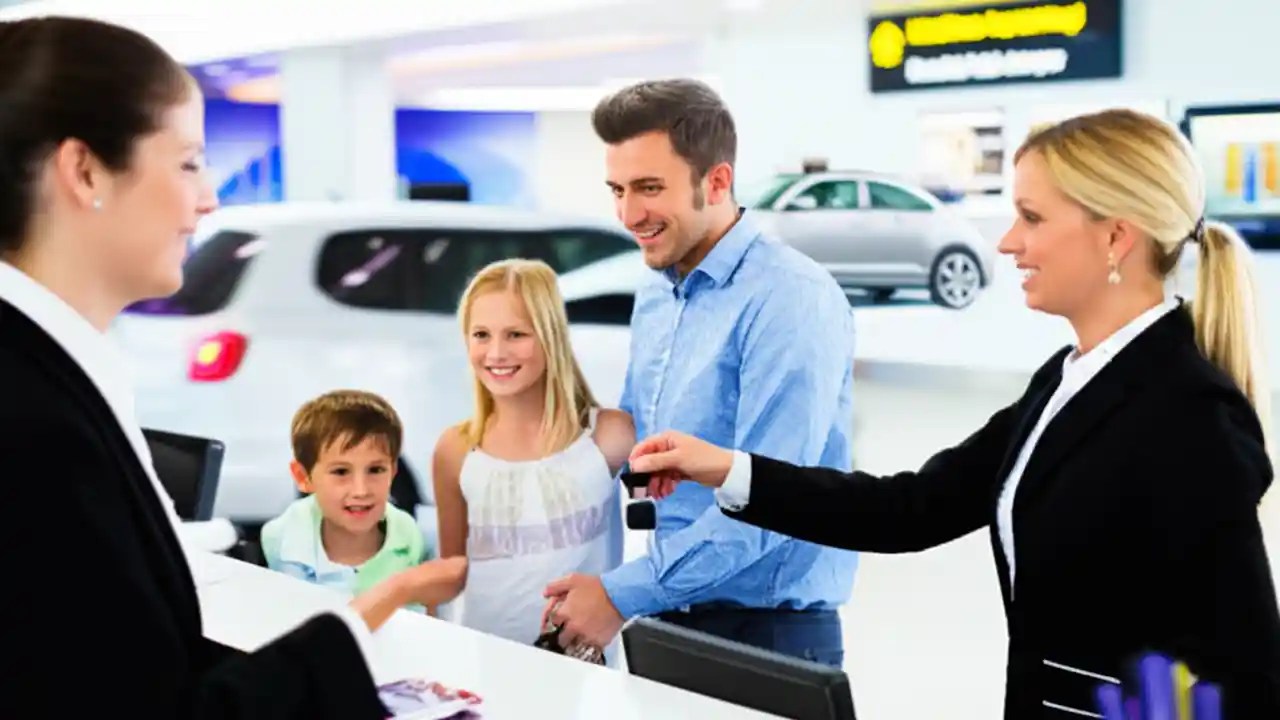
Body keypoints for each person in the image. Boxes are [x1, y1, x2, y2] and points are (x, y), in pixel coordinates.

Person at [626, 109, 1280, 718]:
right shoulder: (1065, 381)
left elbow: (1238, 670)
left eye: (1031, 218)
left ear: (1115, 236)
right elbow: (911, 508)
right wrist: (729, 470)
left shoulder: (1189, 414)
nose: (1008, 243)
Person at [0, 17, 434, 718]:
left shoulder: (49, 375)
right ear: (85, 172)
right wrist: (349, 636)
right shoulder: (36, 428)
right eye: (188, 163)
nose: (209, 198)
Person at [544, 78, 858, 665]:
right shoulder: (657, 291)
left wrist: (617, 594)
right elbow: (642, 444)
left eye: (649, 188)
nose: (628, 214)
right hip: (670, 610)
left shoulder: (791, 297)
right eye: (617, 190)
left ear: (716, 181)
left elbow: (770, 504)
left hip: (768, 635)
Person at [431, 259, 633, 651]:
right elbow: (449, 576)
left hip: (584, 666)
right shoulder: (454, 451)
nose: (496, 352)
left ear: (550, 336)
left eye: (516, 334)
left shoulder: (609, 435)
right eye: (481, 335)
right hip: (485, 662)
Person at [262, 390, 466, 615]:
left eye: (375, 470)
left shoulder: (418, 545)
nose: (361, 491)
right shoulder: (279, 542)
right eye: (341, 472)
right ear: (303, 477)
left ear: (393, 472)